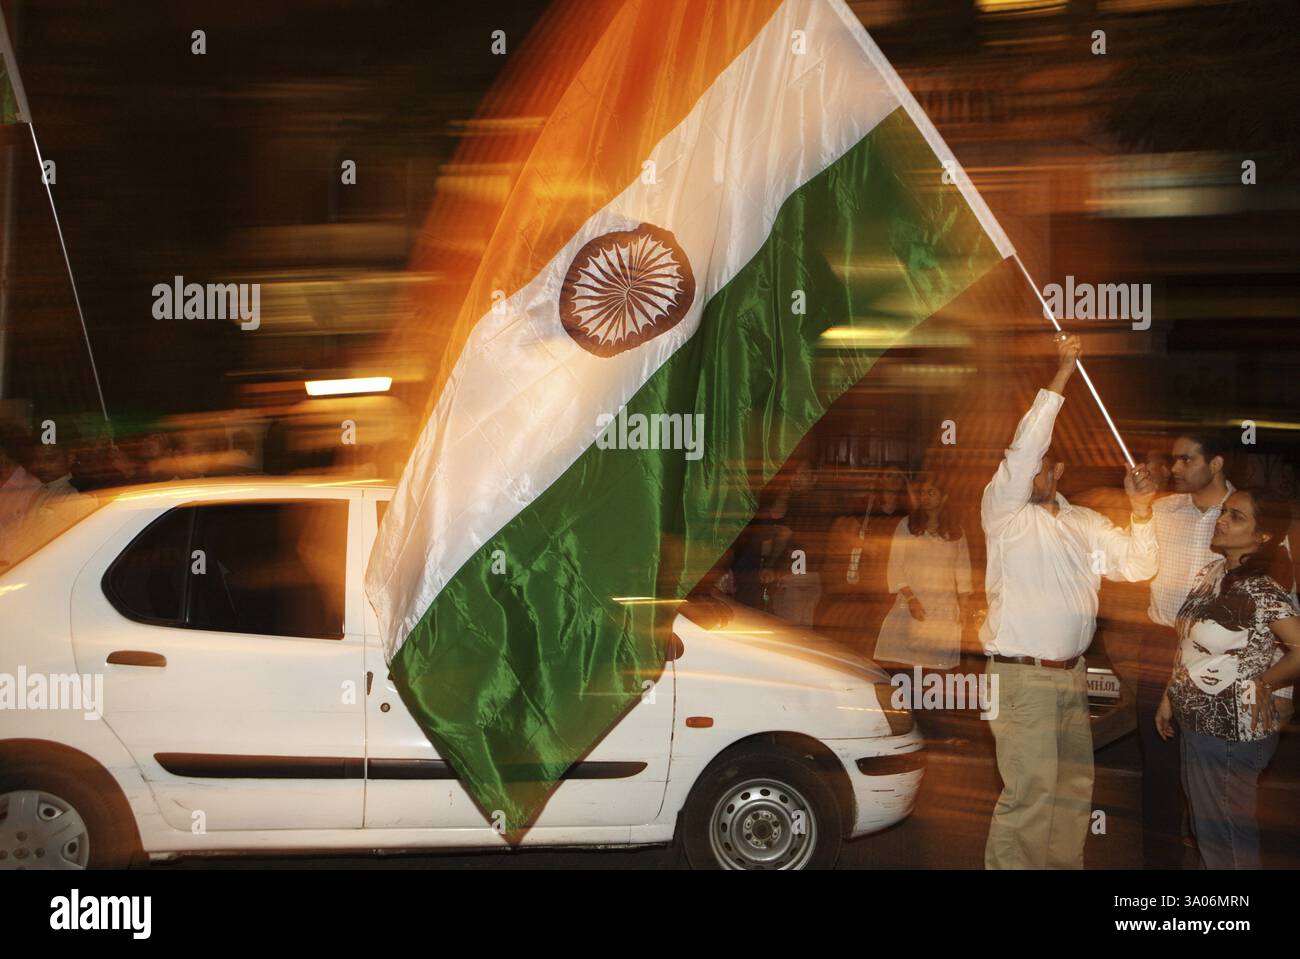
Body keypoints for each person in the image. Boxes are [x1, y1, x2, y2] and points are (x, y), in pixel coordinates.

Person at [982, 333, 1159, 870]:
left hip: (1072, 676)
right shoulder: (1005, 514)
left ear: (1058, 472)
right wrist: (1062, 373)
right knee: (1030, 795)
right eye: (1028, 463)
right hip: (1022, 678)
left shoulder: (1085, 522)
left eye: (1043, 465)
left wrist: (1143, 511)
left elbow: (1139, 565)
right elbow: (1024, 446)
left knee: (1072, 792)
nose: (1029, 469)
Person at [1156, 487, 1300, 869]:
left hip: (1230, 731)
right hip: (1198, 722)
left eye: (1237, 516)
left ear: (1262, 536)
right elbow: (1188, 638)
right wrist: (1170, 695)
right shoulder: (1213, 572)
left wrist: (1264, 682)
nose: (1222, 520)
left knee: (1226, 840)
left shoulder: (1261, 588)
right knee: (1210, 834)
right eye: (1224, 512)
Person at [1137, 428, 1243, 868]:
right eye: (1174, 460)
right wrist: (1138, 507)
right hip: (1159, 642)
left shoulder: (1243, 514)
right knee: (1158, 767)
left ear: (1216, 464)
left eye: (1186, 460)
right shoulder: (1163, 509)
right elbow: (1134, 559)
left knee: (1210, 769)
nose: (1175, 468)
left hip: (1216, 653)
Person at [873, 472, 974, 670]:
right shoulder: (907, 526)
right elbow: (895, 565)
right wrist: (911, 599)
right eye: (922, 493)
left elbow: (963, 571)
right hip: (912, 604)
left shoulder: (955, 530)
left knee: (937, 671)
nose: (925, 497)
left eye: (931, 493)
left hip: (944, 610)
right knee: (906, 668)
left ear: (943, 497)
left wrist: (964, 607)